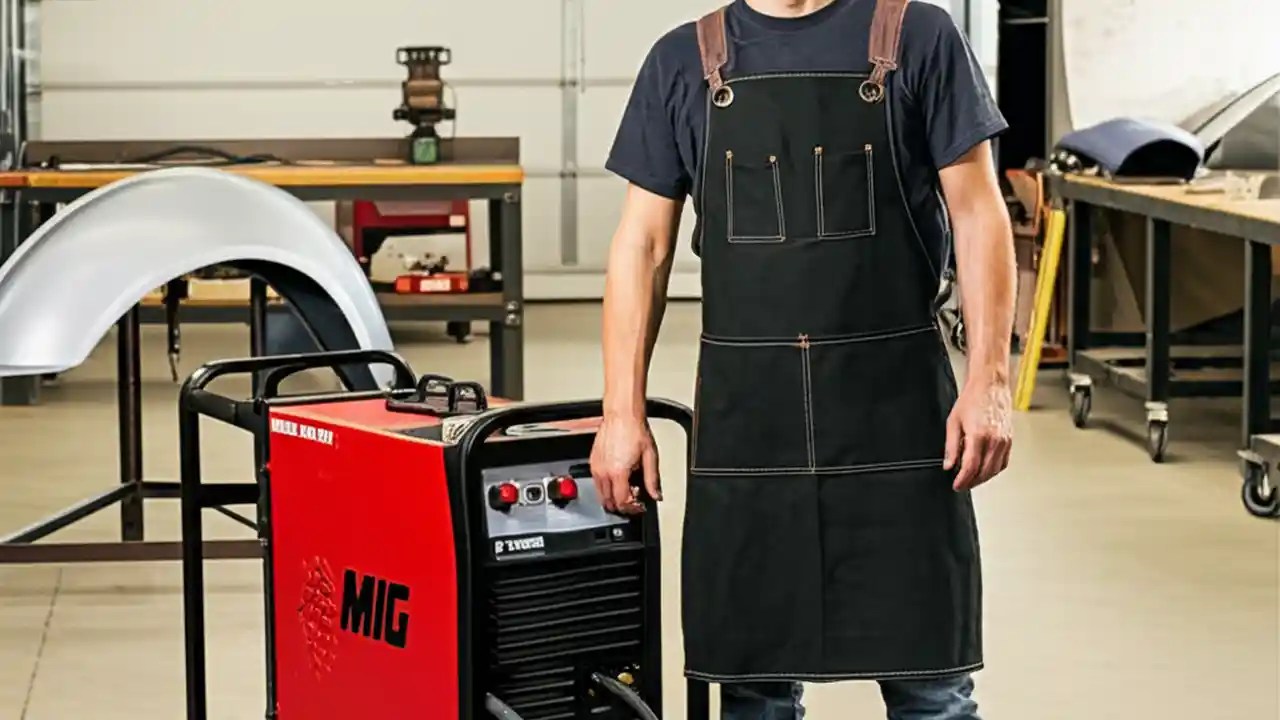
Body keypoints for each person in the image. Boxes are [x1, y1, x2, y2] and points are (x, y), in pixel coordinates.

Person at [589, 0, 1016, 718]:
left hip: (899, 417)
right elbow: (643, 248)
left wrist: (990, 380)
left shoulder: (918, 37)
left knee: (932, 685)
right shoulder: (682, 61)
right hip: (751, 423)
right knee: (754, 687)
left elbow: (978, 212)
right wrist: (620, 412)